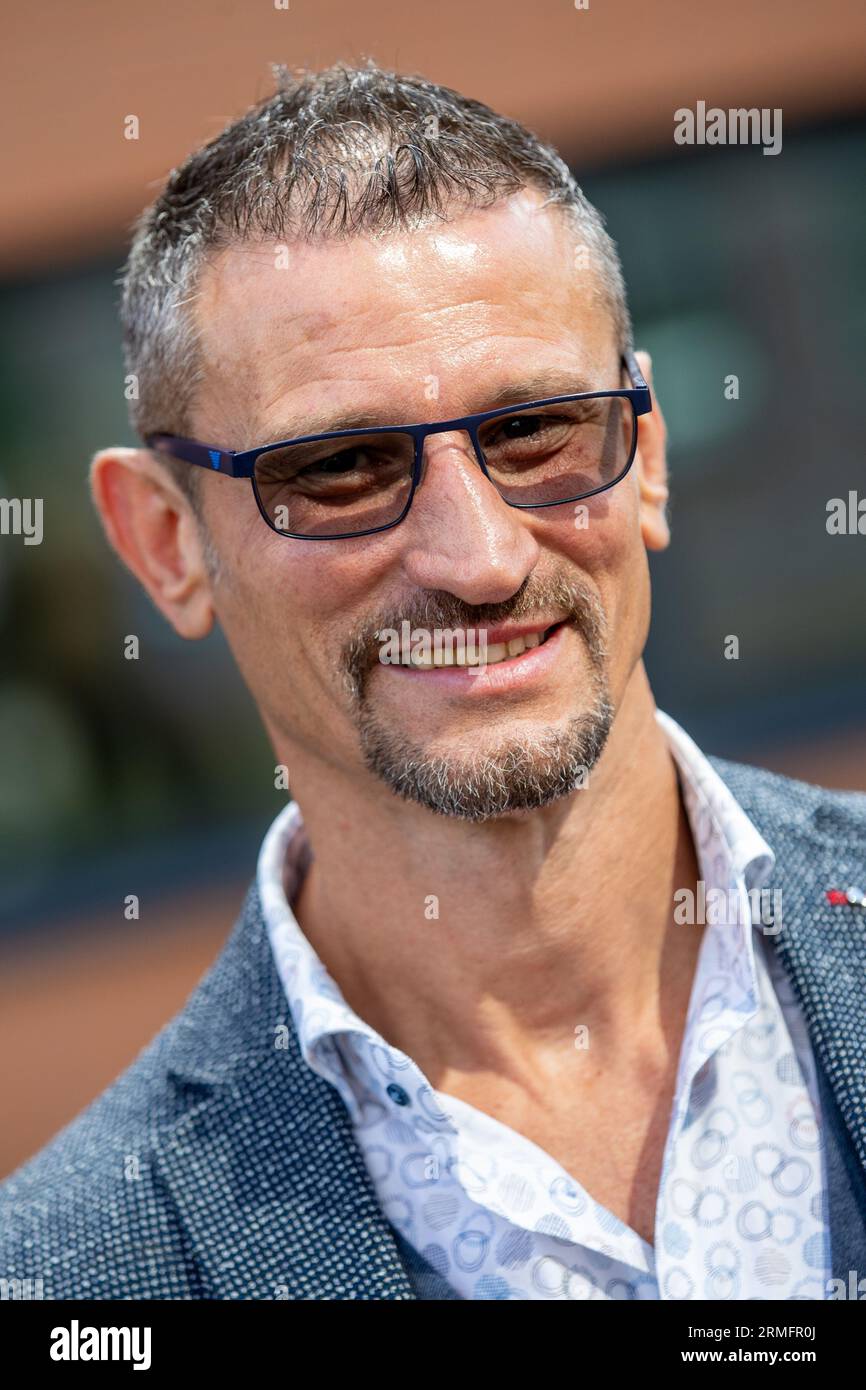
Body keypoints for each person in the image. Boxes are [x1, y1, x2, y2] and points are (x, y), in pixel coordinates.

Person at [2, 61, 865, 1302]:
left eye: (532, 431)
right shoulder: (62, 1284)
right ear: (163, 543)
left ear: (648, 453)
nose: (480, 558)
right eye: (342, 467)